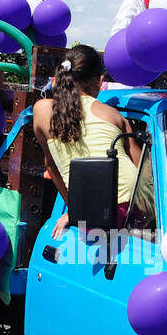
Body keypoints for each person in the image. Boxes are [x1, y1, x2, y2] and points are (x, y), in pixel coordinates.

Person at [32, 45, 142, 237]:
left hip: (92, 216)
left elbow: (51, 166)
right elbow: (144, 172)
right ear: (99, 81)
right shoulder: (114, 115)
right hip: (129, 210)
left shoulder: (41, 110)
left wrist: (76, 210)